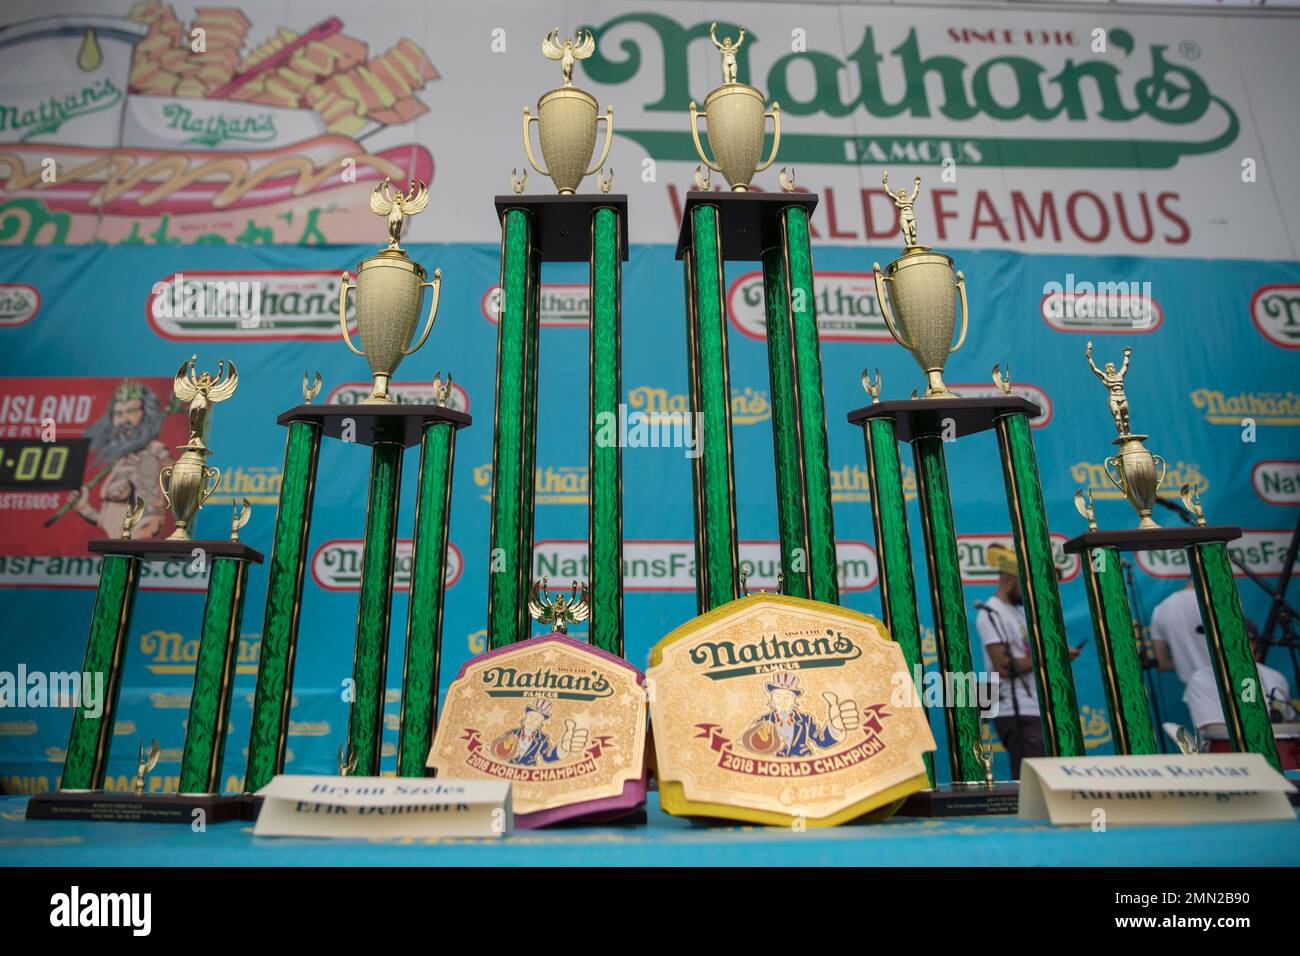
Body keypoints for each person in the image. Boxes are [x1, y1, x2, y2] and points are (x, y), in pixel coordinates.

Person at [975, 543, 1078, 778]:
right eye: (1025, 584)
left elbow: (1032, 656)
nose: (1030, 590)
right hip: (1014, 711)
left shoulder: (1020, 611)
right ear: (1010, 579)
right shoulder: (990, 613)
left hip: (1036, 708)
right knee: (1032, 781)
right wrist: (1052, 656)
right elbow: (1004, 666)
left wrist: (1057, 655)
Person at [1182, 622, 1296, 732]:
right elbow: (1212, 730)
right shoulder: (1201, 680)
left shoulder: (1275, 677)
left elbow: (1289, 722)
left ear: (1251, 644)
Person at [1151, 583, 1211, 685]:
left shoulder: (1160, 610)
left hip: (1195, 693)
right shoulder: (1219, 602)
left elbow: (1162, 663)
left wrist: (1185, 661)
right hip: (1231, 687)